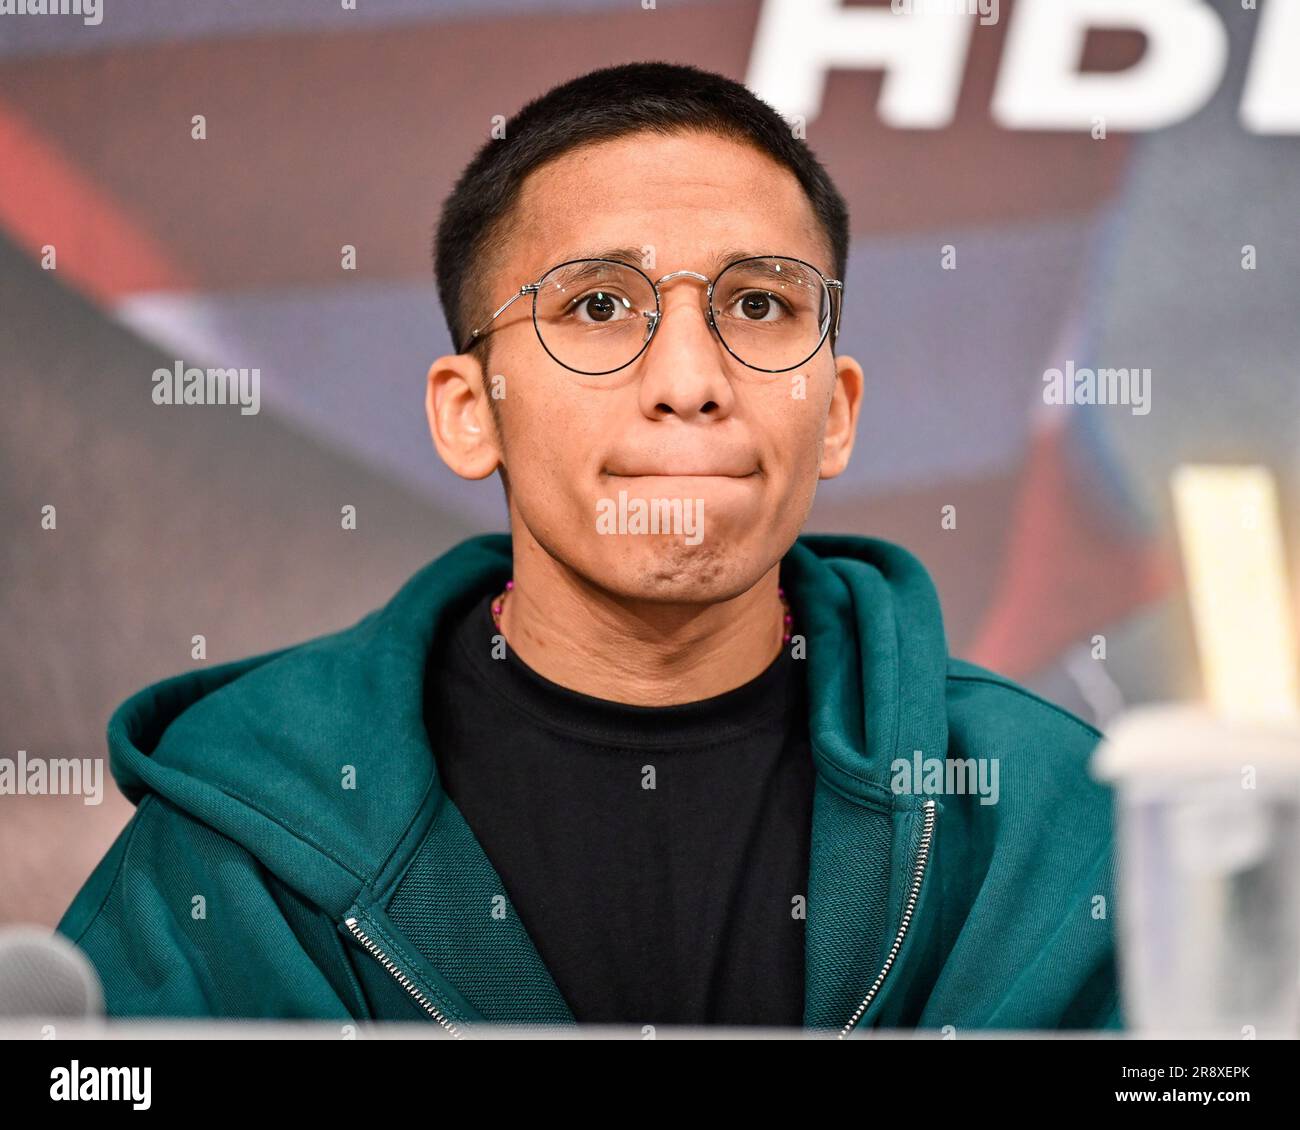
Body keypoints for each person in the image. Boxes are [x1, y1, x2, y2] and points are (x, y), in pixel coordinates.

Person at [56, 61, 1119, 1036]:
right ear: (470, 410)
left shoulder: (1043, 811)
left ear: (835, 410)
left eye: (759, 304)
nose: (690, 379)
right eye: (600, 305)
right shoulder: (240, 837)